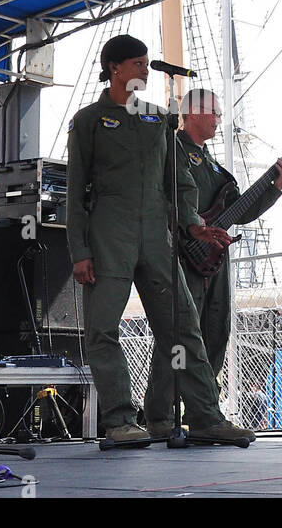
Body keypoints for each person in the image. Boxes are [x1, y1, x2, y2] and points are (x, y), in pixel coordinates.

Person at [65, 34, 256, 445]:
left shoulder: (159, 120)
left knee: (182, 325)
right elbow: (75, 192)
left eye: (146, 63)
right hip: (108, 235)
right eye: (137, 63)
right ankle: (119, 420)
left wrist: (191, 223)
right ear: (115, 68)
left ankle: (205, 417)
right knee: (103, 329)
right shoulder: (87, 121)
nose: (145, 71)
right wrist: (79, 252)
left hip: (157, 237)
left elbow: (179, 183)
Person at [141, 87, 282, 428]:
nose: (219, 120)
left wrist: (275, 188)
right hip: (181, 255)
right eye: (215, 113)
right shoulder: (172, 150)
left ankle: (201, 410)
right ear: (194, 113)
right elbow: (165, 198)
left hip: (213, 260)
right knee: (176, 334)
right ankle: (159, 414)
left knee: (215, 330)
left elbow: (240, 210)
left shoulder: (215, 168)